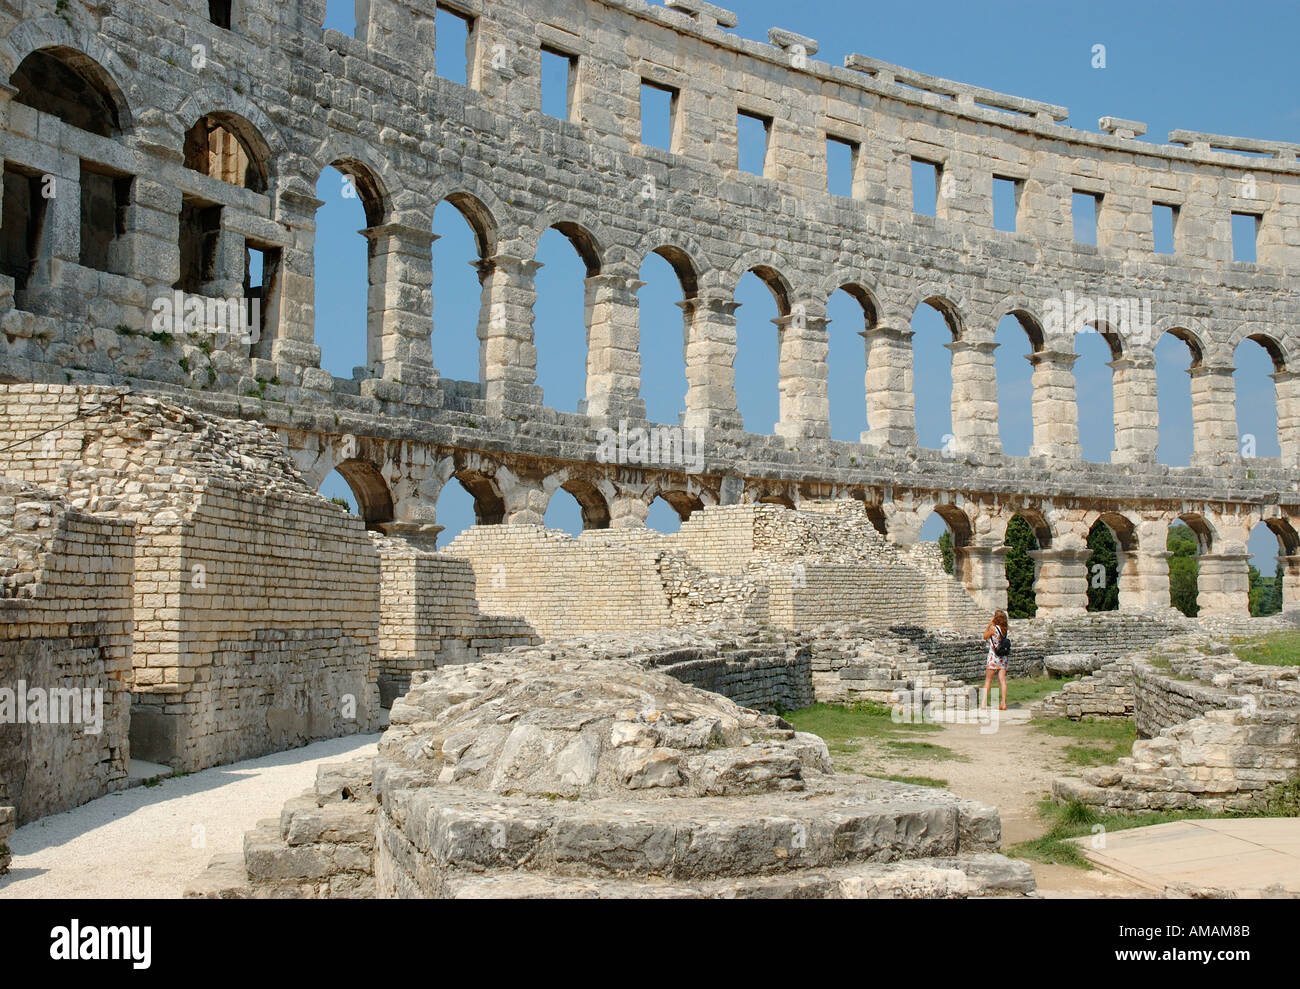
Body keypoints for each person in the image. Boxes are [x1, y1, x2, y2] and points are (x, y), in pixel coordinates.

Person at [981, 610, 1010, 711]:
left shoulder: (994, 628)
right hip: (1003, 657)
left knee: (988, 680)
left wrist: (990, 623)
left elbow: (984, 636)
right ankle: (1003, 703)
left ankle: (983, 703)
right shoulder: (1005, 630)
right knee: (1002, 680)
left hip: (993, 656)